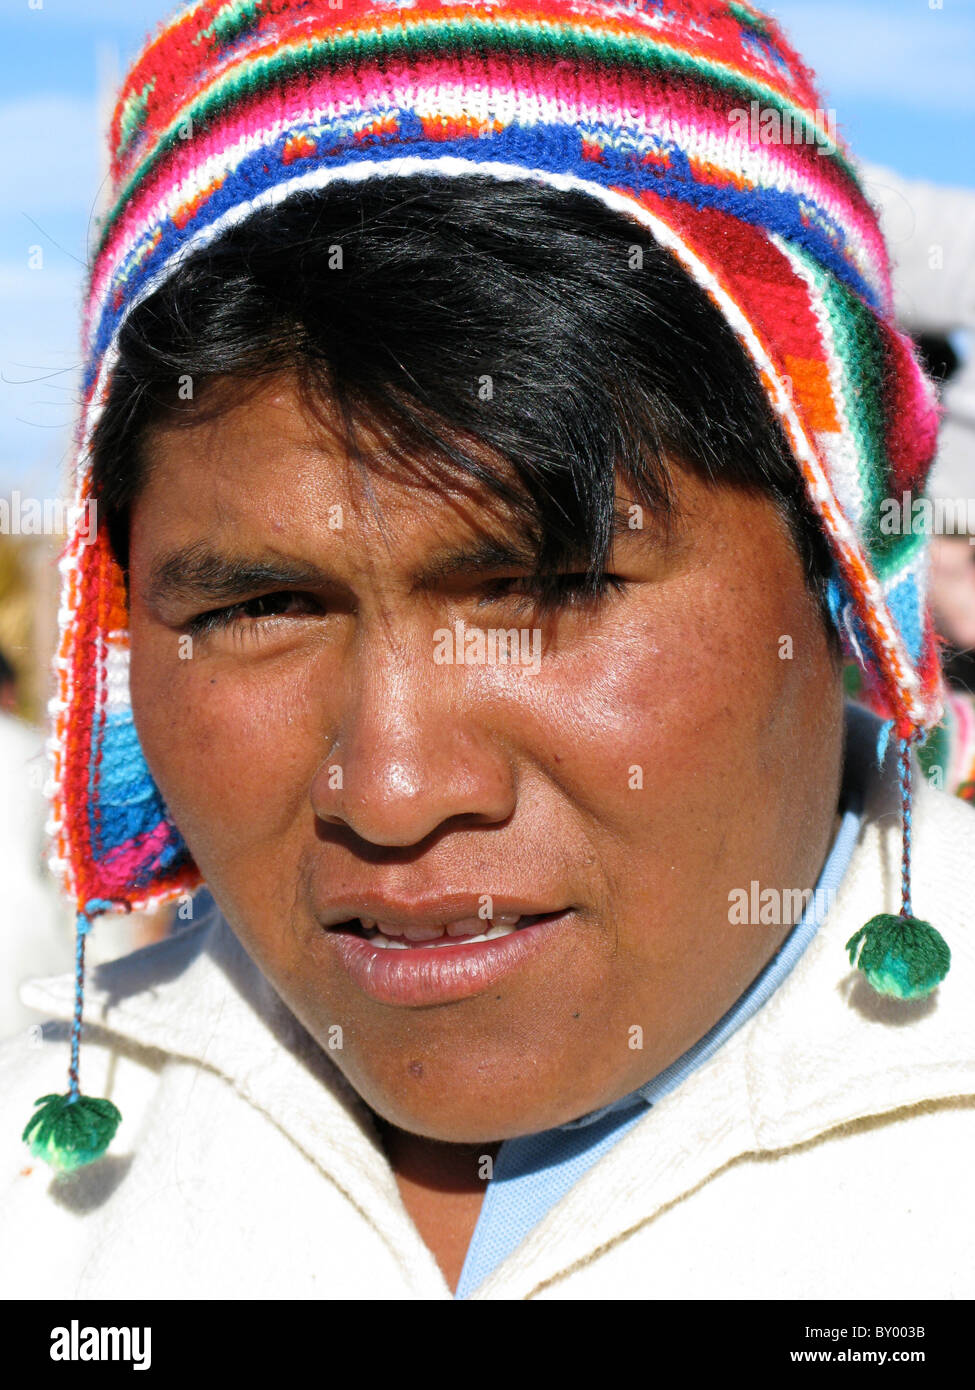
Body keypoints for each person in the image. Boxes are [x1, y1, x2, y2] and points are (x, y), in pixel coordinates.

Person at [1, 0, 973, 1300]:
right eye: (256, 608)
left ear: (839, 553)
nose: (393, 789)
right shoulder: (44, 1179)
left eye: (542, 586)